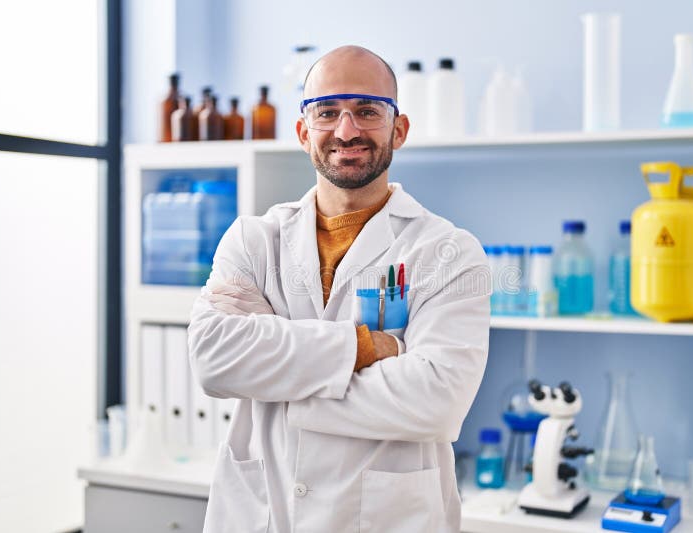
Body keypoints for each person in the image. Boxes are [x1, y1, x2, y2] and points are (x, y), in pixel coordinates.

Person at [188, 45, 491, 533]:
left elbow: (438, 400)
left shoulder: (451, 252)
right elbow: (211, 358)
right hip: (264, 513)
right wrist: (369, 347)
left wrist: (276, 385)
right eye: (327, 112)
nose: (346, 130)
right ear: (304, 132)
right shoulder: (253, 239)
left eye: (367, 111)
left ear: (399, 129)